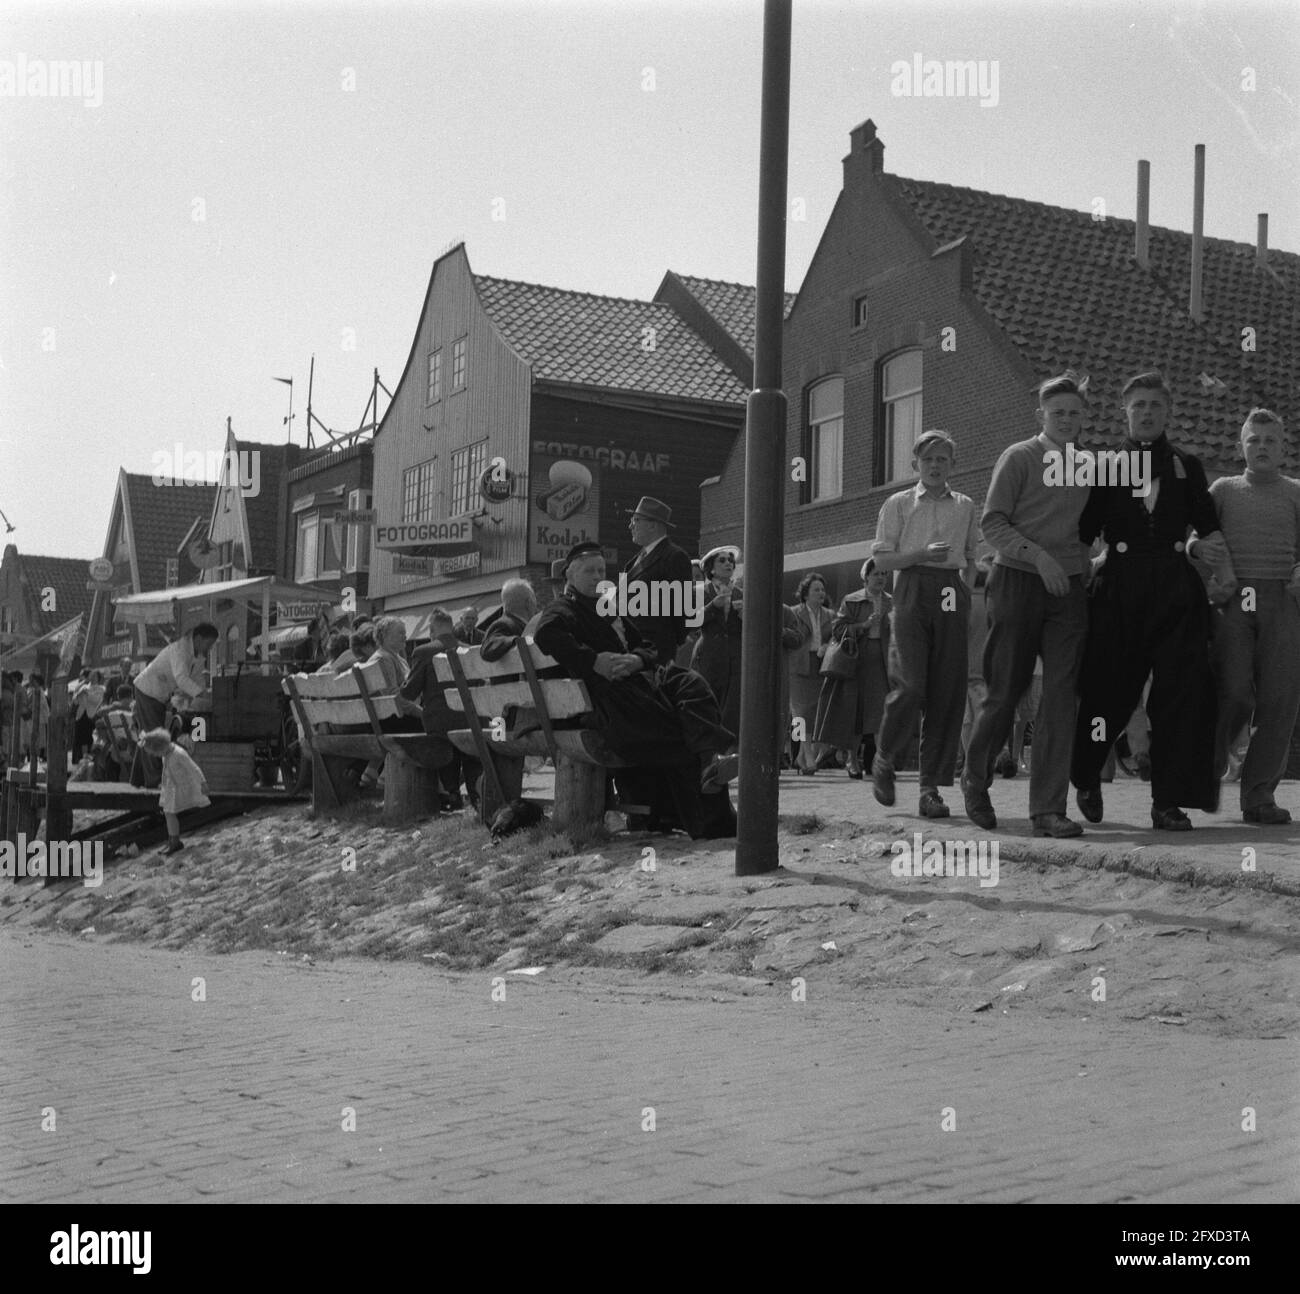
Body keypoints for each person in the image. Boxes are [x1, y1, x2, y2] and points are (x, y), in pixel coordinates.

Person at [1071, 371, 1225, 831]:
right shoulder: (1102, 466)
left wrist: (1200, 548)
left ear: (1167, 412)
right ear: (1125, 411)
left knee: (1180, 694)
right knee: (1109, 691)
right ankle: (1087, 775)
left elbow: (1205, 523)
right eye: (1139, 405)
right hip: (1119, 585)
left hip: (1176, 587)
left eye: (1156, 405)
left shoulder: (1186, 464)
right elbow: (1083, 532)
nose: (1147, 413)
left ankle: (1167, 802)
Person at [534, 541, 737, 837]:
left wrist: (635, 658)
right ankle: (709, 820)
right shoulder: (561, 610)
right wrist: (593, 661)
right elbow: (545, 633)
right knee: (679, 734)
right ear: (570, 576)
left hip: (639, 682)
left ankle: (710, 759)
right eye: (589, 571)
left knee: (690, 682)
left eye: (601, 570)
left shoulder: (607, 607)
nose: (597, 576)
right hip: (612, 701)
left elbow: (647, 645)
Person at [963, 372, 1093, 837]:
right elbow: (992, 523)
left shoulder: (1089, 466)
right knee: (1006, 692)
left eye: (1075, 413)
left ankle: (1048, 810)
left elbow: (1090, 528)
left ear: (1084, 417)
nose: (1067, 420)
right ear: (1041, 416)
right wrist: (1039, 558)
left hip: (1067, 591)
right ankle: (975, 779)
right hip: (1017, 581)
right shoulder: (1019, 457)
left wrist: (1091, 560)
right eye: (1058, 412)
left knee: (1061, 697)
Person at [869, 430, 979, 818]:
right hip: (912, 586)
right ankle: (884, 758)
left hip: (951, 590)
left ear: (952, 464)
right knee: (911, 685)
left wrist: (967, 588)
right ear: (915, 464)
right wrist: (920, 554)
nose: (935, 466)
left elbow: (971, 555)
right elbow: (882, 562)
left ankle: (930, 788)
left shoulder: (964, 505)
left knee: (948, 691)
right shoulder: (898, 504)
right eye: (928, 459)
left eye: (943, 459)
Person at [1198, 408, 1300, 824]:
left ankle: (1258, 796)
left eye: (1269, 441)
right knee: (1235, 692)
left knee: (1279, 700)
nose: (1261, 447)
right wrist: (1199, 554)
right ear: (1241, 446)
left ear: (1283, 450)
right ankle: (1204, 770)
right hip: (1236, 599)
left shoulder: (1296, 492)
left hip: (1282, 599)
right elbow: (1196, 537)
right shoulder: (1222, 489)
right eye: (1253, 440)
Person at [813, 559, 892, 778]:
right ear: (866, 577)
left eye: (884, 574)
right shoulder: (852, 600)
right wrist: (863, 626)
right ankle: (852, 760)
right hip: (856, 662)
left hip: (883, 663)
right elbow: (837, 629)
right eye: (876, 574)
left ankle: (881, 763)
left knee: (881, 715)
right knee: (854, 713)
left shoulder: (891, 602)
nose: (880, 578)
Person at [399, 609, 482, 811]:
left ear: (432, 629)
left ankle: (451, 791)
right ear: (452, 627)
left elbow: (409, 693)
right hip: (471, 721)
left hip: (439, 725)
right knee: (467, 747)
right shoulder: (468, 649)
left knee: (442, 736)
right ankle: (476, 796)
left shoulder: (423, 652)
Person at [130, 623, 218, 788]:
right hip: (148, 689)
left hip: (157, 693)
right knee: (154, 734)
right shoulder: (179, 650)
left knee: (148, 732)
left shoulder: (197, 655)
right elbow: (182, 679)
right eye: (209, 643)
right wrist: (201, 695)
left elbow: (197, 678)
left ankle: (137, 779)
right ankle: (154, 781)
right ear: (199, 639)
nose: (210, 648)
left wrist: (204, 695)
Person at [623, 496, 695, 665]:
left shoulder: (674, 557)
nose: (630, 526)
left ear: (653, 525)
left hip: (656, 652)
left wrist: (669, 644)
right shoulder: (634, 561)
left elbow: (682, 609)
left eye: (635, 520)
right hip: (633, 650)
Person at [691, 546, 744, 744]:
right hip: (708, 658)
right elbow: (690, 622)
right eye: (722, 560)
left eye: (730, 560)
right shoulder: (699, 592)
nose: (728, 563)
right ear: (711, 568)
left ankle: (728, 753)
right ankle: (707, 753)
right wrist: (713, 606)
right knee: (706, 705)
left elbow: (753, 628)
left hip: (735, 660)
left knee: (733, 709)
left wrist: (745, 616)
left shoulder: (741, 593)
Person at [138, 727, 210, 854]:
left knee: (170, 813)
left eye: (155, 753)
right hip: (171, 788)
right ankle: (173, 840)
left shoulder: (178, 753)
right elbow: (166, 771)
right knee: (168, 813)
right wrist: (163, 783)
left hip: (182, 787)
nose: (156, 755)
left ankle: (174, 842)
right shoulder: (166, 754)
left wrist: (203, 782)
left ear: (161, 747)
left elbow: (193, 768)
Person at [789, 573, 834, 774]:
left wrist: (827, 645)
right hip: (799, 666)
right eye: (816, 589)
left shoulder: (830, 615)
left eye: (822, 589)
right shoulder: (794, 612)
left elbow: (836, 638)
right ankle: (807, 754)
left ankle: (800, 757)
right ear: (805, 594)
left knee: (816, 713)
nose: (821, 593)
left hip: (821, 666)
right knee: (799, 714)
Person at [481, 579, 540, 663]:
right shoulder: (503, 624)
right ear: (528, 603)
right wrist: (522, 640)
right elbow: (488, 648)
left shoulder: (511, 623)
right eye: (534, 599)